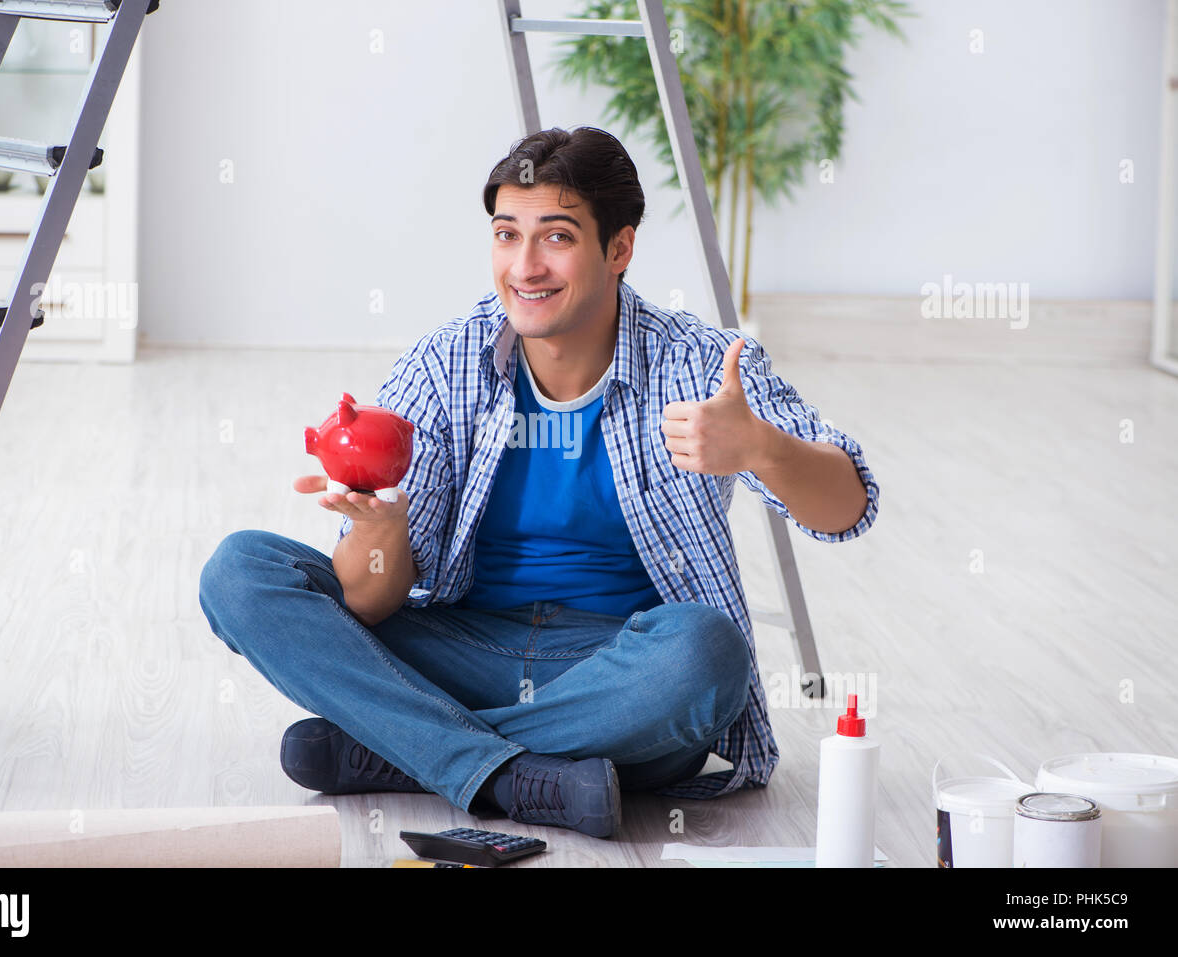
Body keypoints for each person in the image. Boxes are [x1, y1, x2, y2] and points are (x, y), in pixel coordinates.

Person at [198, 127, 880, 839]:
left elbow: (851, 505)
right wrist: (378, 529)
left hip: (618, 671)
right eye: (506, 235)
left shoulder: (699, 364)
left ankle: (410, 750)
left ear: (619, 248)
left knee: (708, 654)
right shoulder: (443, 364)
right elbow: (369, 601)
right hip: (458, 649)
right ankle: (521, 774)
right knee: (241, 570)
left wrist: (762, 447)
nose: (525, 266)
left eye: (555, 237)